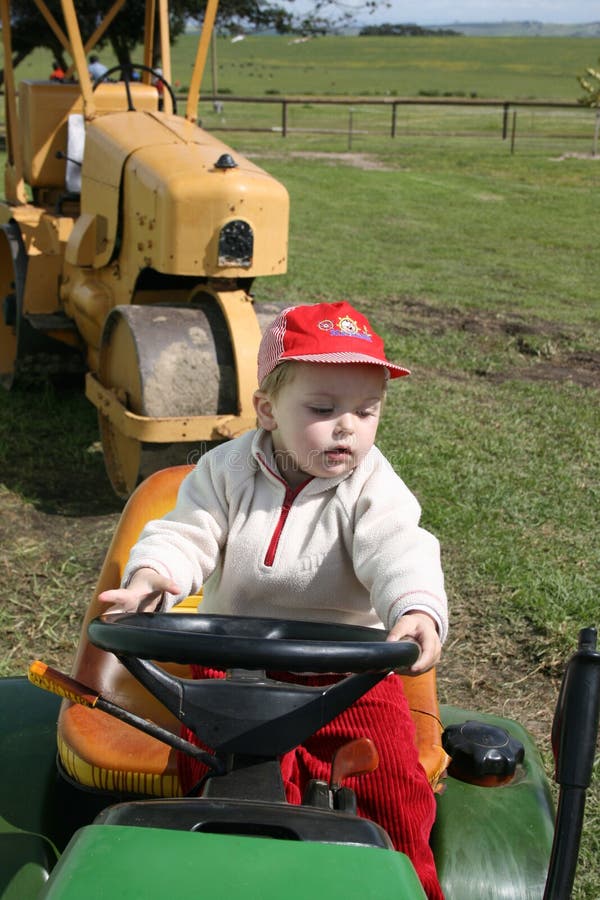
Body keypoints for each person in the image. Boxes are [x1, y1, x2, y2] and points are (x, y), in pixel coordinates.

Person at [99, 301, 447, 899]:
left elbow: (400, 549)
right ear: (267, 409)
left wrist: (414, 607)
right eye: (322, 409)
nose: (347, 428)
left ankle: (406, 885)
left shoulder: (371, 485)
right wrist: (155, 577)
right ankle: (227, 882)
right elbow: (187, 532)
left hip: (346, 671)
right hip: (233, 662)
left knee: (394, 786)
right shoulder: (225, 470)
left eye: (367, 412)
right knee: (223, 783)